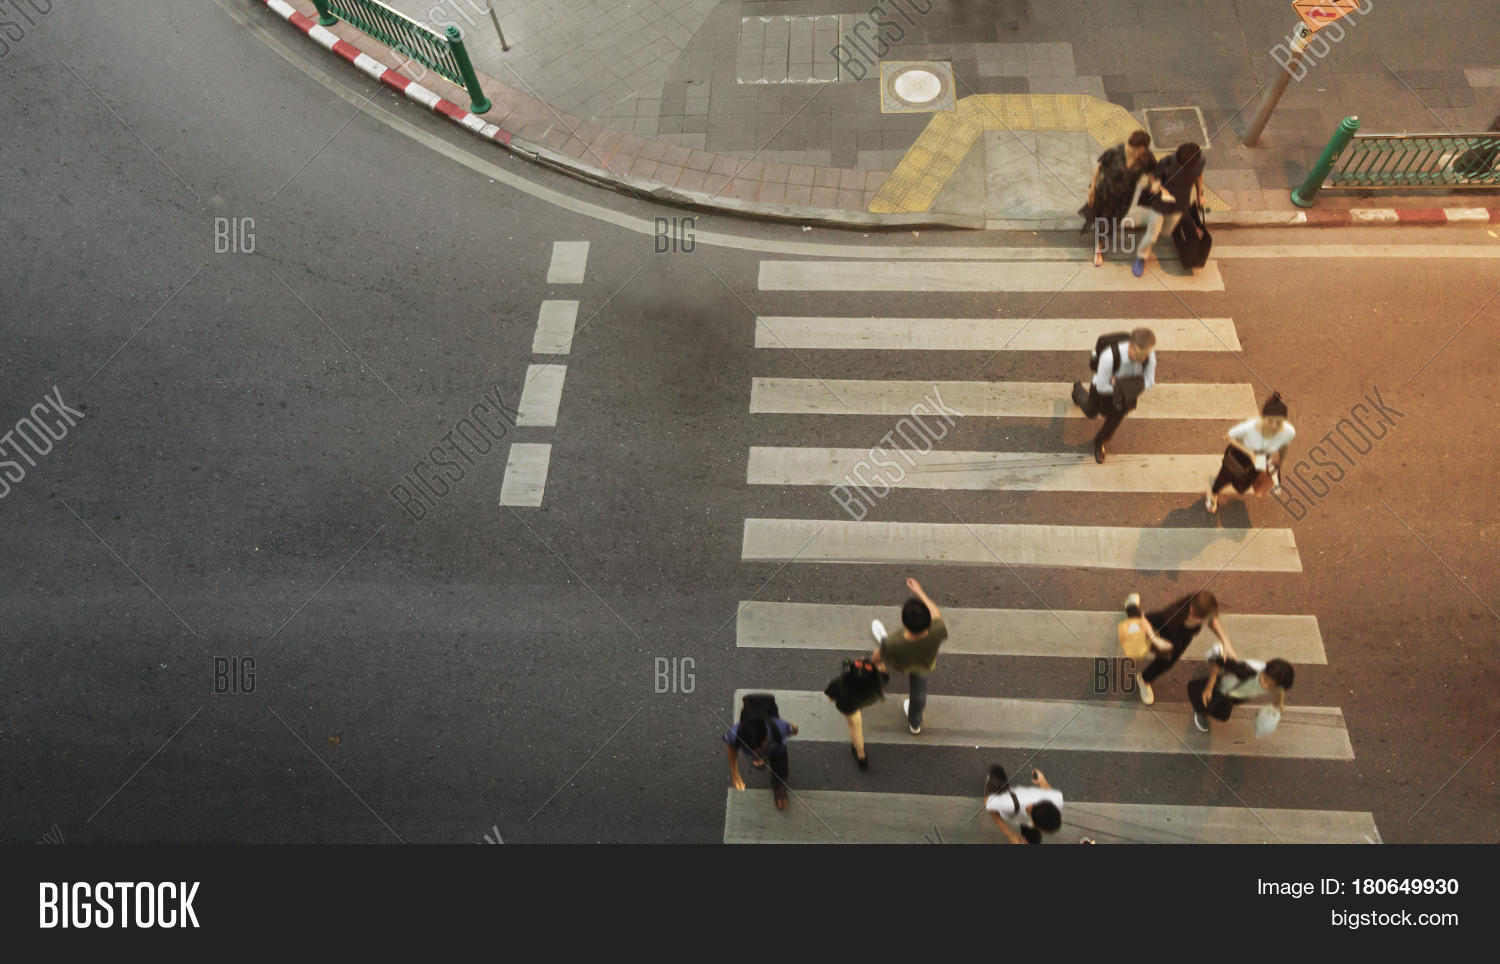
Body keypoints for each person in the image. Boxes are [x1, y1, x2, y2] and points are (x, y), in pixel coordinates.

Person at [1122, 589, 1232, 705]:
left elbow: (1211, 620)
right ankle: (1131, 606)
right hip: (1161, 631)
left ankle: (1143, 679)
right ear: (1192, 611)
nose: (1206, 623)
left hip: (1180, 639)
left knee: (1167, 662)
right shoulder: (1171, 617)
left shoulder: (1197, 606)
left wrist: (1224, 640)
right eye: (1203, 620)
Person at [870, 577, 947, 734]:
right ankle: (915, 722)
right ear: (928, 621)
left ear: (904, 623)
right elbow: (936, 613)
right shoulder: (938, 629)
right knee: (919, 695)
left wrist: (875, 663)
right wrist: (920, 592)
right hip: (924, 664)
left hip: (902, 662)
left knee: (886, 643)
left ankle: (882, 637)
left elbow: (878, 657)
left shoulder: (894, 644)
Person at [1071, 327, 1157, 463]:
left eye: (1145, 355)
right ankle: (1077, 391)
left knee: (1113, 423)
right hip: (1101, 393)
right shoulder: (1109, 357)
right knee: (1090, 412)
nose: (1142, 359)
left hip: (1124, 395)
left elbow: (1149, 381)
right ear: (1130, 345)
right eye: (1139, 354)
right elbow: (1102, 387)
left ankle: (1099, 442)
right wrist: (1125, 387)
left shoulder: (1148, 356)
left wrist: (1122, 386)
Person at [1206, 392, 1295, 514]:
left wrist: (1276, 480)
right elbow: (1228, 436)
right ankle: (1213, 494)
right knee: (1224, 478)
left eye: (1278, 423)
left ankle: (1235, 484)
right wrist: (1249, 452)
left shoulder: (1284, 432)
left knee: (1244, 482)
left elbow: (1277, 454)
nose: (1274, 426)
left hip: (1258, 460)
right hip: (1238, 456)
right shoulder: (1251, 426)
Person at [1082, 130, 1156, 267]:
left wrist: (1154, 185)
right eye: (1136, 149)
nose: (1137, 153)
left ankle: (1100, 242)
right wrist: (1092, 187)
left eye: (1141, 150)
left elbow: (1152, 174)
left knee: (1111, 222)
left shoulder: (1146, 158)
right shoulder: (1115, 153)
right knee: (1102, 219)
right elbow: (1099, 167)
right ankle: (1098, 248)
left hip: (1123, 199)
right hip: (1105, 193)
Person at [1133, 141, 1206, 277]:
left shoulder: (1199, 163)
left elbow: (1199, 176)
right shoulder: (1167, 163)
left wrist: (1199, 194)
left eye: (1185, 167)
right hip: (1160, 206)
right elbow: (1153, 180)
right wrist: (1160, 189)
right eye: (1180, 165)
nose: (1182, 168)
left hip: (1179, 206)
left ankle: (1179, 226)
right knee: (1152, 237)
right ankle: (1141, 257)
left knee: (1166, 232)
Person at [1187, 641, 1294, 733]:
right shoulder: (1246, 670)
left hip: (1239, 694)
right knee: (1208, 704)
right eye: (1264, 678)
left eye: (1269, 686)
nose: (1263, 684)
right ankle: (1201, 711)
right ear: (1264, 671)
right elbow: (1220, 663)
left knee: (1223, 713)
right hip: (1224, 687)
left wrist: (1279, 701)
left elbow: (1280, 690)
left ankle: (1207, 709)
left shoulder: (1277, 684)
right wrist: (1209, 687)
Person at [723, 693, 798, 810]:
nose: (755, 751)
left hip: (777, 750)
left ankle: (779, 786)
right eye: (751, 749)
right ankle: (761, 757)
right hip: (754, 723)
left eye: (758, 749)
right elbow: (731, 747)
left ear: (766, 739)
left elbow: (793, 729)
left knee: (780, 768)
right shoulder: (735, 734)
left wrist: (793, 728)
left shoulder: (779, 728)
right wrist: (735, 773)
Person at [823, 655, 889, 770]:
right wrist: (878, 661)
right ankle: (861, 760)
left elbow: (831, 698)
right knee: (857, 725)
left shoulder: (838, 684)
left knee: (855, 728)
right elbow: (883, 671)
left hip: (848, 706)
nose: (863, 658)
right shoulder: (879, 681)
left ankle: (861, 755)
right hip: (863, 700)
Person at [983, 764, 1064, 844]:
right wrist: (1010, 835)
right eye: (1039, 829)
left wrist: (1042, 781)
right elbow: (987, 803)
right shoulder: (1009, 804)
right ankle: (994, 783)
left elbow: (1049, 791)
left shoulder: (1057, 801)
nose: (1040, 831)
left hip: (1022, 813)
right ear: (1033, 823)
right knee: (994, 792)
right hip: (1012, 808)